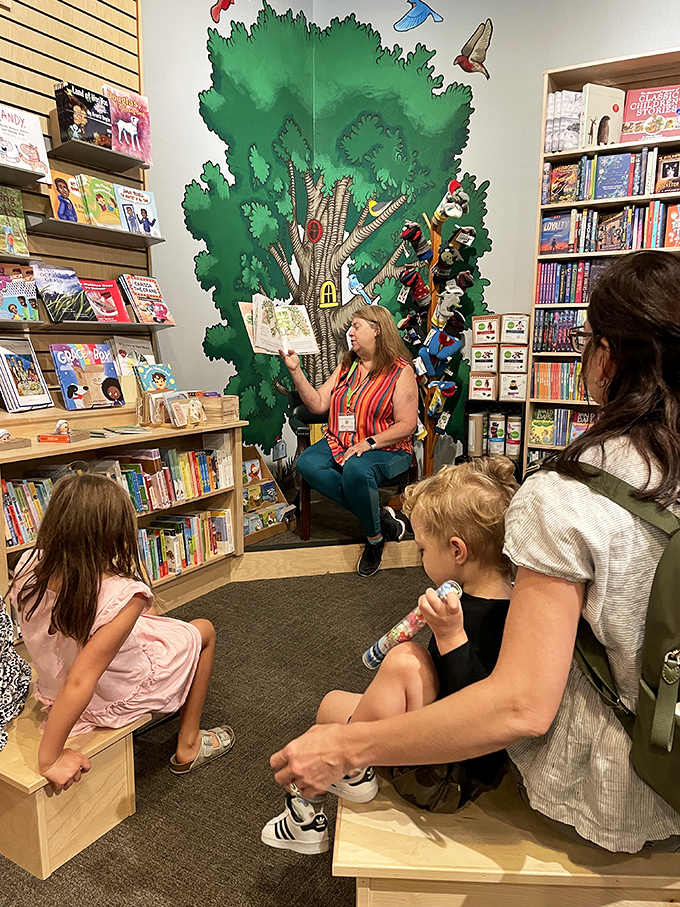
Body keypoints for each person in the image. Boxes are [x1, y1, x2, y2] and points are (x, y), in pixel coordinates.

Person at [270, 250, 680, 853]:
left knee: (351, 708)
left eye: (586, 340)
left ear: (608, 357)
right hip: (669, 747)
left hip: (615, 782)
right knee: (362, 692)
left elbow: (521, 706)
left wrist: (348, 747)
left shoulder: (564, 496)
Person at [261, 457, 518, 854]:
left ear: (457, 550)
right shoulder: (499, 597)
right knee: (330, 705)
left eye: (422, 549)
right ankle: (342, 779)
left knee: (403, 660)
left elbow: (483, 711)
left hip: (450, 775)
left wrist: (450, 637)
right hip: (442, 736)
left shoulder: (491, 618)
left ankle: (331, 789)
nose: (420, 559)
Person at [10, 473, 234, 791]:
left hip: (53, 687)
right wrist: (50, 758)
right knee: (204, 631)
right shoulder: (125, 593)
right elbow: (81, 680)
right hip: (107, 696)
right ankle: (189, 742)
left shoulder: (27, 565)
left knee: (150, 619)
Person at [280, 305, 419, 577]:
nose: (350, 333)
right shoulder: (347, 365)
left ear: (376, 330)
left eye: (356, 326)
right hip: (340, 441)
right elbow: (318, 404)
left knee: (356, 468)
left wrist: (369, 443)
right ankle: (380, 518)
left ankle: (374, 539)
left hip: (387, 447)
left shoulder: (401, 371)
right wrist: (295, 371)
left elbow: (407, 425)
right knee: (307, 462)